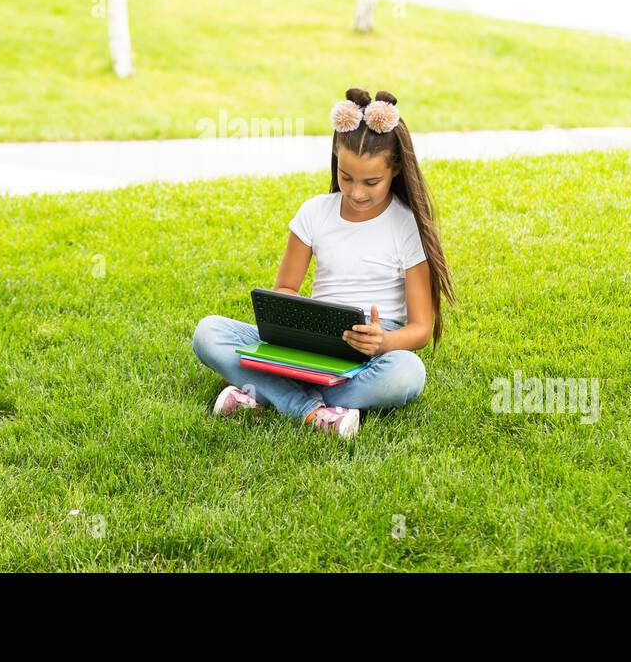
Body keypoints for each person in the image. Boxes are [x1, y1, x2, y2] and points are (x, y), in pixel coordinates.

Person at [192, 87, 456, 439]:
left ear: (394, 169)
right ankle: (314, 410)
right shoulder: (314, 213)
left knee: (408, 373)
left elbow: (421, 329)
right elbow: (285, 288)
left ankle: (265, 390)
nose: (357, 192)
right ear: (336, 159)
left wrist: (381, 343)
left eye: (371, 182)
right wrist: (295, 326)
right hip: (311, 336)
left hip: (373, 350)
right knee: (208, 333)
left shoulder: (406, 225)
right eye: (346, 177)